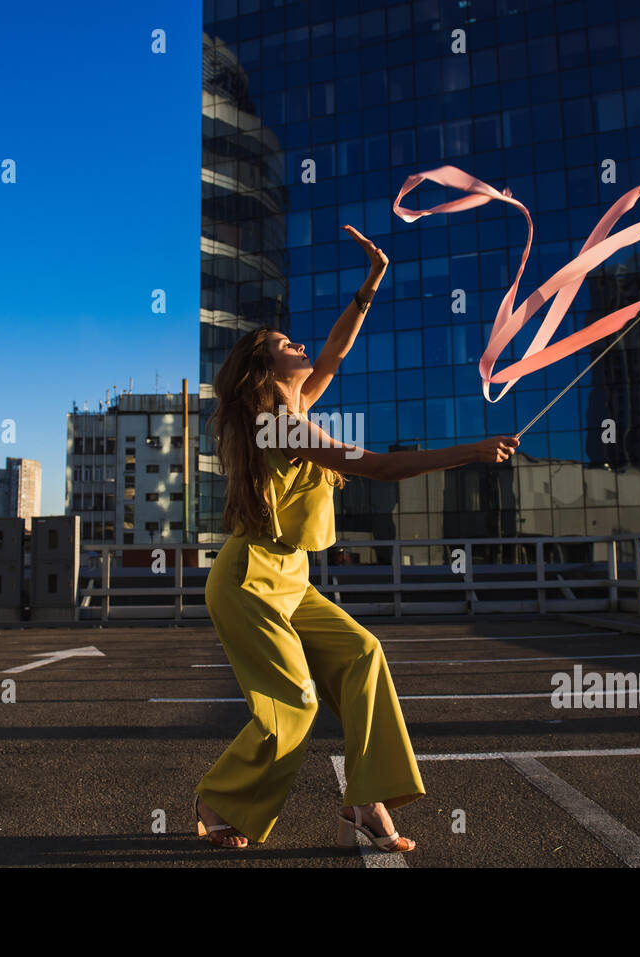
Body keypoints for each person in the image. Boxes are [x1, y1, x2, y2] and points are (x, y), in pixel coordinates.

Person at [193, 225, 519, 851]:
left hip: (291, 576)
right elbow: (374, 466)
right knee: (294, 702)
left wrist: (371, 282)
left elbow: (335, 354)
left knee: (364, 656)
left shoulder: (299, 407)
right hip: (248, 582)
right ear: (265, 367)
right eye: (287, 344)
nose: (302, 346)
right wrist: (472, 451)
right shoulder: (277, 428)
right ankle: (220, 799)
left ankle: (366, 801)